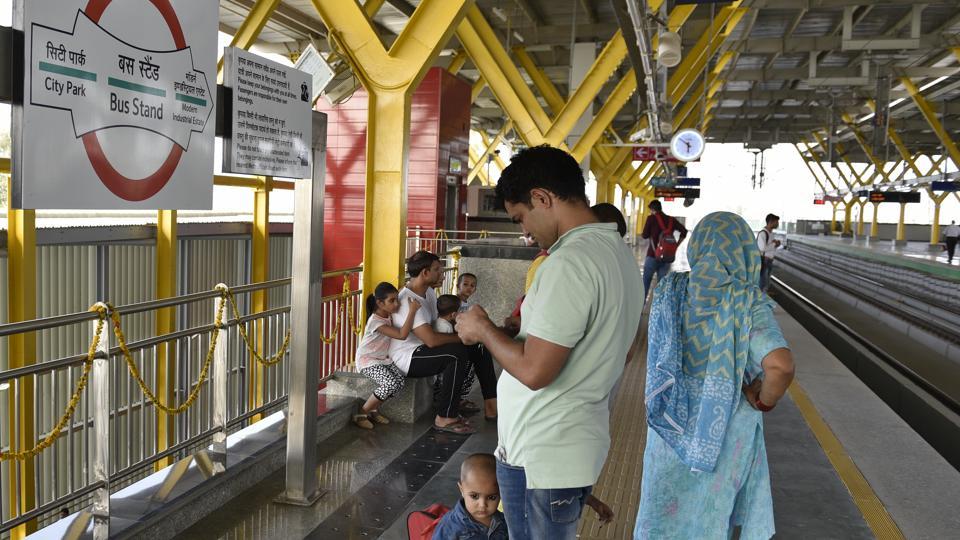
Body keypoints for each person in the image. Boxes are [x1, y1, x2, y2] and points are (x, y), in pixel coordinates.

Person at [457, 145, 644, 540]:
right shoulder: (618, 254)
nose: (524, 231)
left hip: (542, 455)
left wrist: (482, 330)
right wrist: (518, 338)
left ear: (543, 198)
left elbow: (535, 371)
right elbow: (611, 348)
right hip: (569, 445)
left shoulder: (568, 263)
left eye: (521, 217)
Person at [635, 211, 796, 539]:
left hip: (670, 426)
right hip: (724, 432)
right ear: (743, 252)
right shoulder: (746, 300)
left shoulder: (669, 290)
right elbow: (780, 365)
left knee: (660, 513)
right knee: (706, 519)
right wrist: (763, 401)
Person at [391, 251, 498, 432]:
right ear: (425, 273)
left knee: (479, 346)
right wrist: (466, 336)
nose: (442, 274)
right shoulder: (408, 300)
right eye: (438, 271)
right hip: (409, 357)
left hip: (424, 349)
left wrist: (473, 334)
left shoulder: (429, 293)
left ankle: (491, 405)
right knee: (456, 354)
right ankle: (445, 416)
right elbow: (431, 340)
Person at [352, 282, 421, 429]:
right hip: (368, 360)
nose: (396, 304)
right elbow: (402, 335)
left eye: (397, 299)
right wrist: (412, 311)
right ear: (379, 303)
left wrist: (407, 286)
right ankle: (362, 412)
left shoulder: (388, 315)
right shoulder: (375, 322)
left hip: (383, 359)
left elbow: (402, 290)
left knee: (399, 383)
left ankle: (373, 409)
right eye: (392, 301)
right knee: (390, 383)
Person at [433, 454, 509, 540]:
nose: (482, 505)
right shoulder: (449, 526)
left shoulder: (504, 521)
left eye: (492, 497)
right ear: (462, 490)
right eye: (474, 496)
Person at [640, 199, 687, 299]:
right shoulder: (671, 220)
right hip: (667, 257)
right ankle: (659, 310)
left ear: (652, 209)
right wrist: (676, 246)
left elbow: (644, 235)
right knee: (662, 286)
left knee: (645, 284)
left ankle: (639, 310)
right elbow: (684, 232)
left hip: (652, 256)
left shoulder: (651, 218)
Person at [757, 213, 781, 292]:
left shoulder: (771, 233)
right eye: (776, 222)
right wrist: (774, 244)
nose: (777, 224)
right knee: (762, 282)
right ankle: (760, 298)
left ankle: (763, 296)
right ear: (771, 222)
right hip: (764, 260)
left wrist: (775, 244)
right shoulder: (763, 233)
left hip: (769, 260)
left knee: (766, 281)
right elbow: (762, 248)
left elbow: (769, 247)